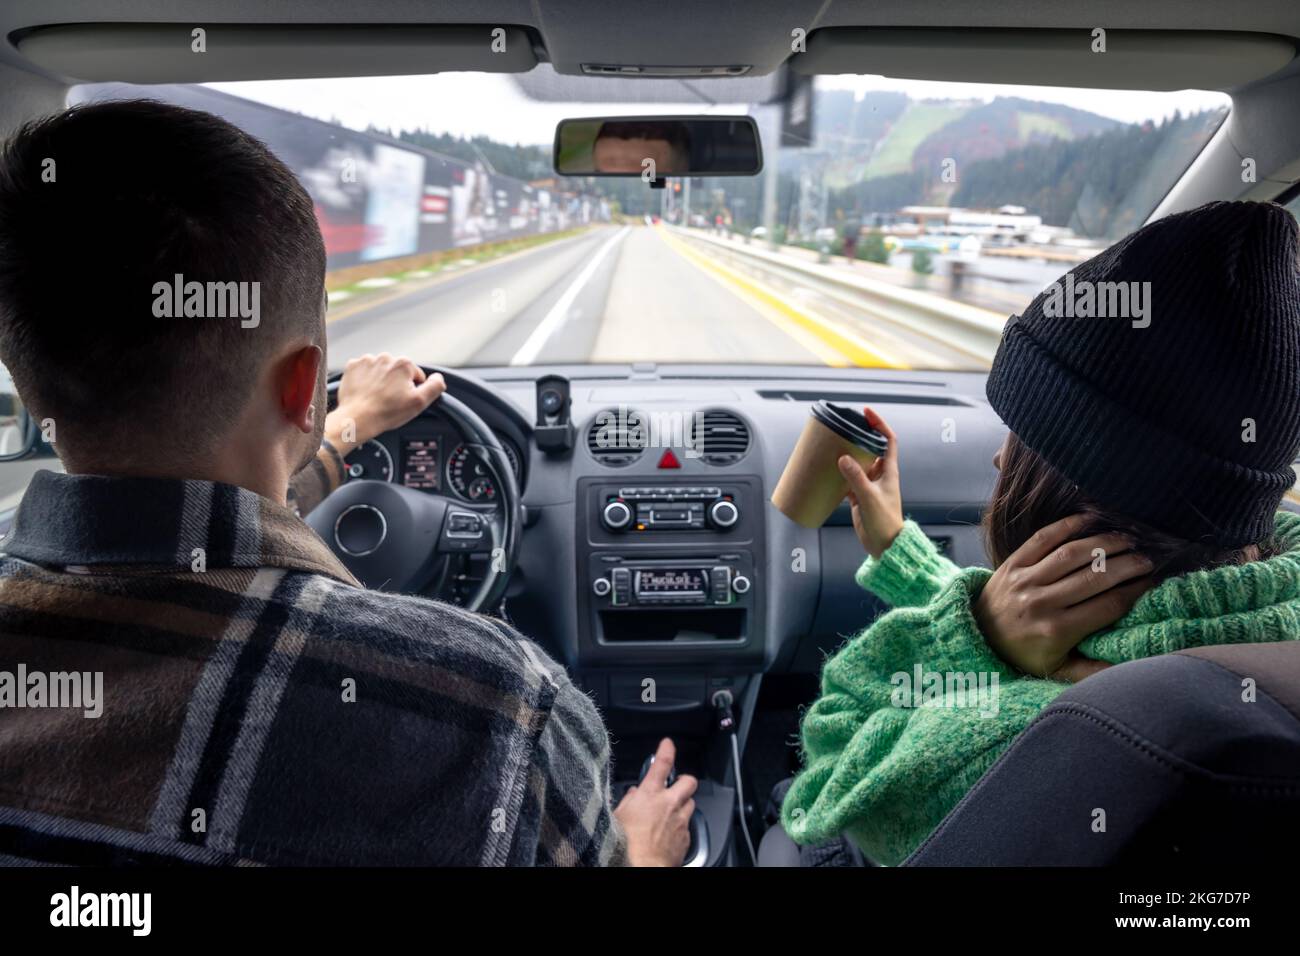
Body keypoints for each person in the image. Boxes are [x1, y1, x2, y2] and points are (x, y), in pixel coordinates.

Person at [0, 99, 696, 866]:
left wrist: (341, 431)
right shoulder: (499, 712)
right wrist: (643, 852)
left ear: (27, 387)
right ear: (307, 383)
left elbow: (190, 514)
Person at [781, 200, 1300, 866]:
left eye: (1024, 439)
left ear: (1086, 496)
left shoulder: (1061, 725)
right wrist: (904, 556)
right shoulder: (1262, 627)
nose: (1001, 460)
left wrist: (975, 642)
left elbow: (825, 790)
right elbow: (1039, 633)